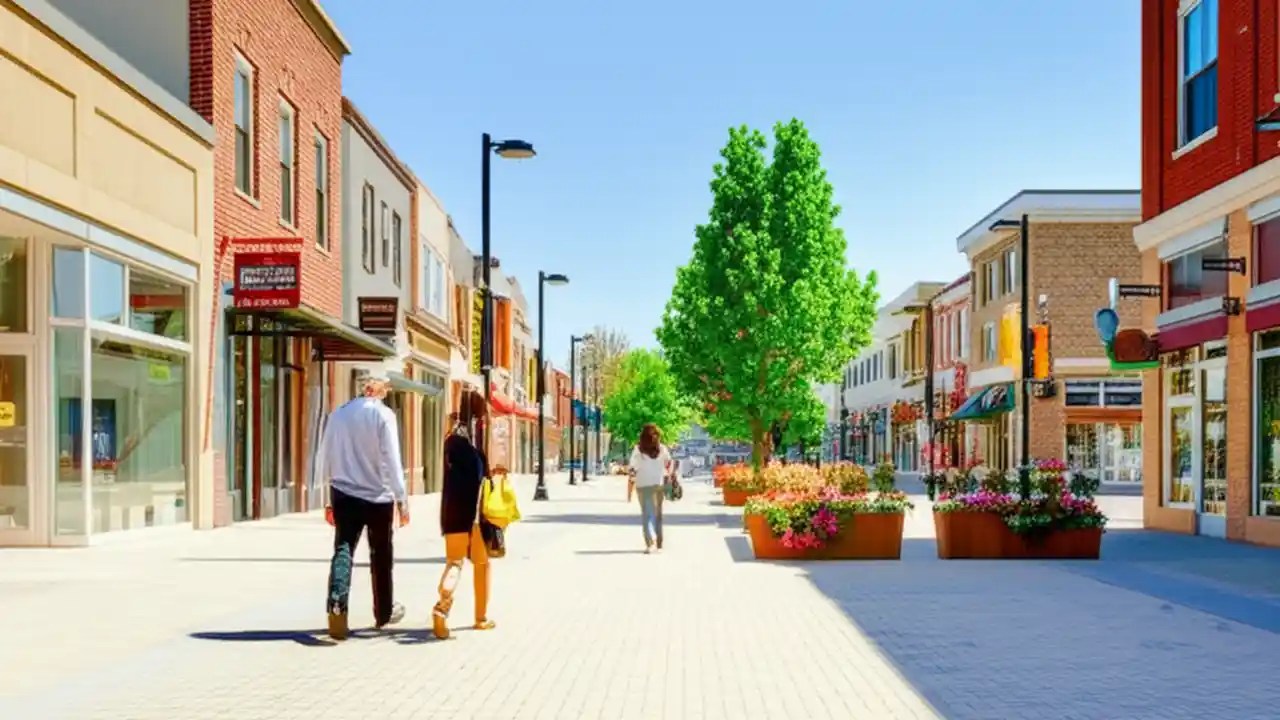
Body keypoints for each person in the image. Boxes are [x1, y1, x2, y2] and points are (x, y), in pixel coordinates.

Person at [320, 370, 408, 641]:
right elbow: (392, 459)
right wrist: (402, 498)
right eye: (384, 387)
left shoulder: (338, 415)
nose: (386, 391)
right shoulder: (384, 416)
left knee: (343, 548)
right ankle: (383, 612)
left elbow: (326, 454)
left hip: (343, 492)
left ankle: (337, 602)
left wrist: (326, 496)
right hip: (378, 496)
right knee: (381, 555)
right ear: (374, 388)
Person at [433, 393, 495, 640]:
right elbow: (484, 479)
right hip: (476, 518)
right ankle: (480, 618)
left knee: (454, 563)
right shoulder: (475, 448)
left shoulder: (451, 443)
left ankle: (442, 607)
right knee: (481, 565)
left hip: (451, 514)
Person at [629, 423, 673, 554]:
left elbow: (633, 468)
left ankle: (650, 543)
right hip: (658, 484)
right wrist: (669, 475)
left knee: (647, 514)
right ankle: (659, 543)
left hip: (643, 485)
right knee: (658, 514)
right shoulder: (662, 449)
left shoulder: (638, 450)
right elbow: (669, 463)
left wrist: (631, 478)